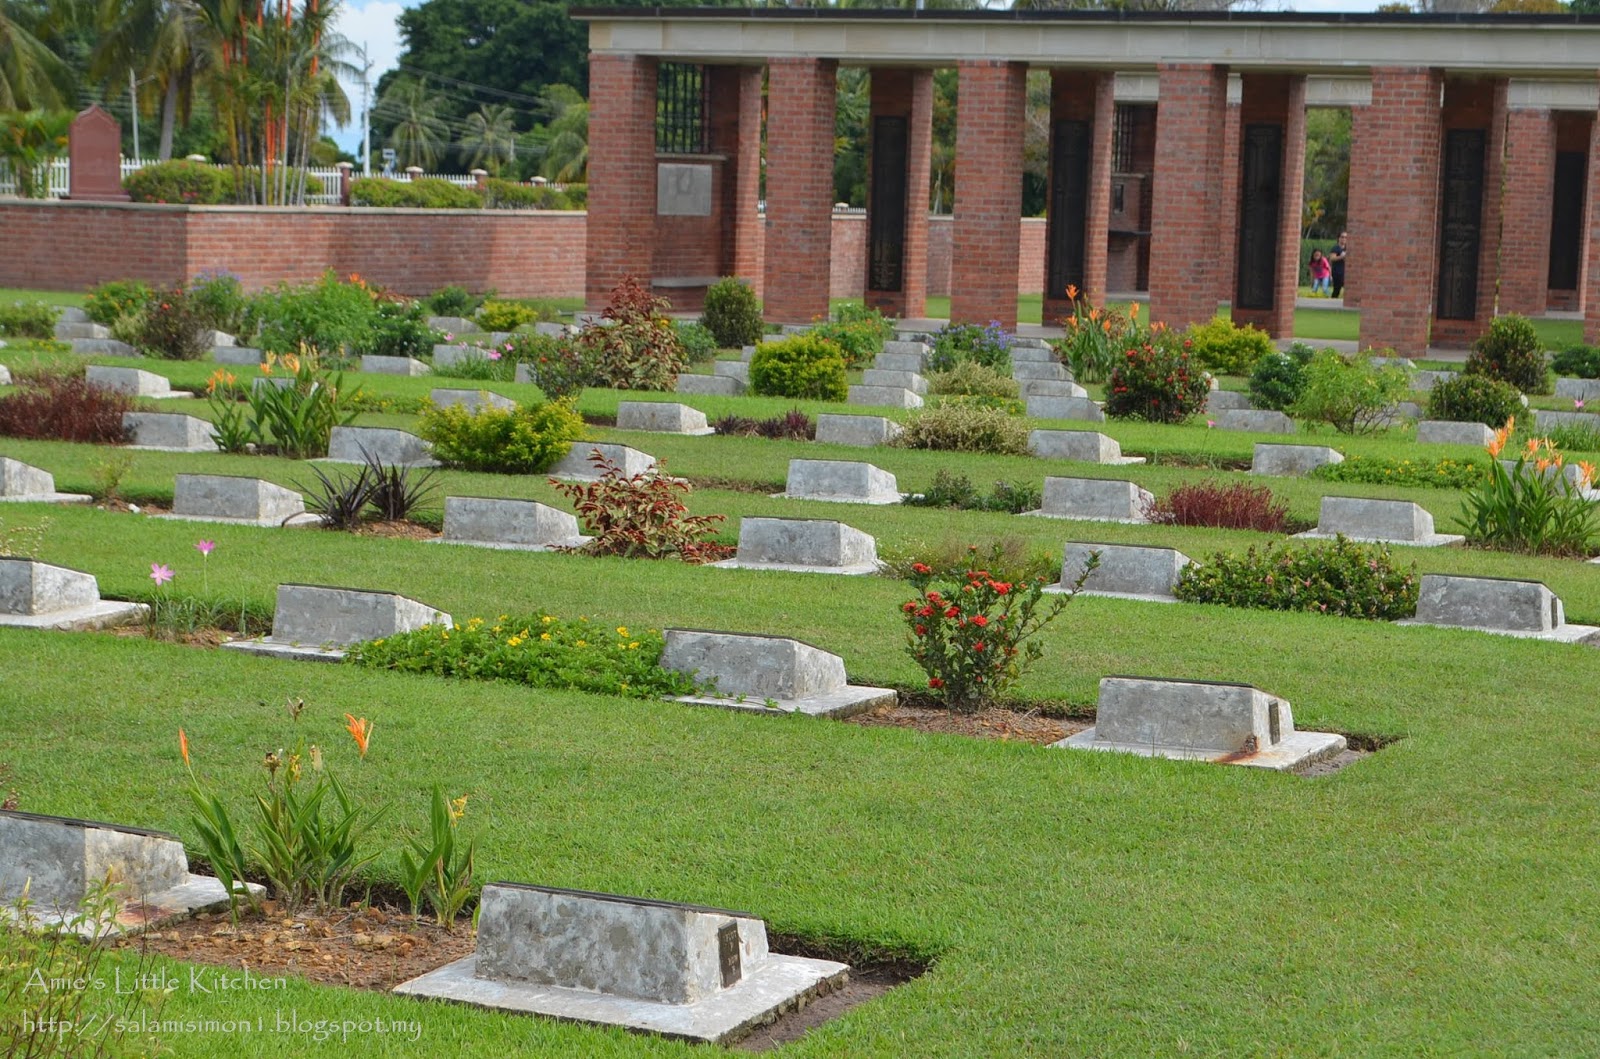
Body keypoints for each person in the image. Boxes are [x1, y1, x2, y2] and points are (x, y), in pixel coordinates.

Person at [1329, 232, 1348, 300]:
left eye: (1345, 237)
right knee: (1337, 289)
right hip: (1337, 272)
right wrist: (1342, 256)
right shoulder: (1335, 248)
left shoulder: (1348, 248)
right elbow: (1332, 258)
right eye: (1342, 237)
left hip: (1346, 272)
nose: (1344, 239)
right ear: (1339, 238)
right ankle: (1332, 302)